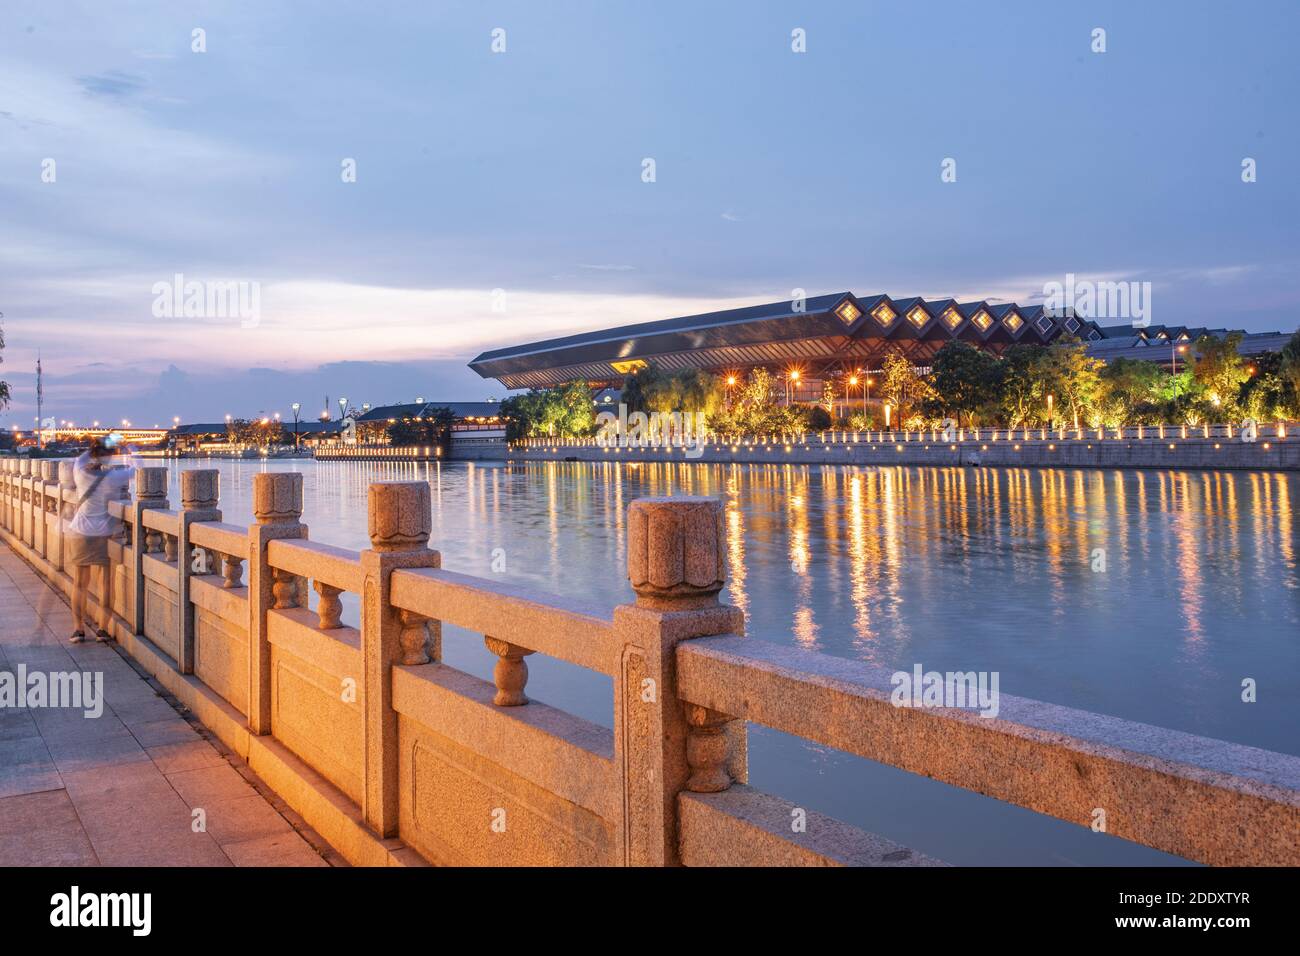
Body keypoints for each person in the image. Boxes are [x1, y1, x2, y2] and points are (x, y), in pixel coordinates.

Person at [65, 437, 133, 643]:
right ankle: (103, 629)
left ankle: (78, 629)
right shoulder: (113, 477)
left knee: (80, 583)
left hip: (81, 533)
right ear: (110, 457)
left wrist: (99, 446)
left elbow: (81, 457)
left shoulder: (80, 471)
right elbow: (136, 468)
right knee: (106, 583)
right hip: (104, 534)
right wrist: (130, 448)